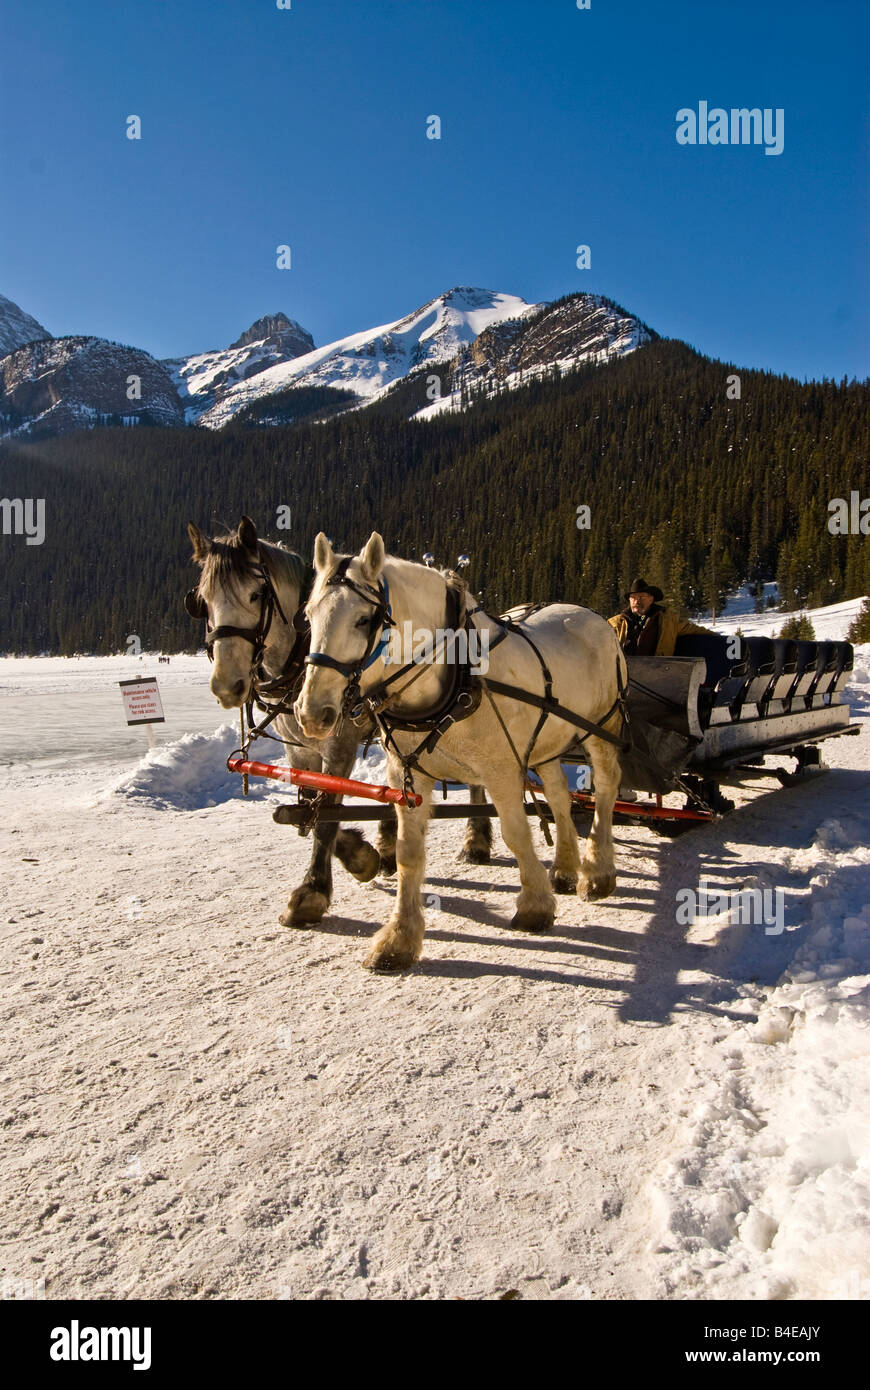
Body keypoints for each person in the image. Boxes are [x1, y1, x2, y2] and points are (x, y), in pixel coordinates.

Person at [608, 578, 712, 656]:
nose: (636, 601)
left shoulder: (669, 620)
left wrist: (722, 639)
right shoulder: (615, 623)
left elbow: (694, 630)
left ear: (651, 599)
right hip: (623, 677)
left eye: (641, 597)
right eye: (633, 598)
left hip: (658, 673)